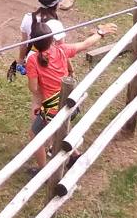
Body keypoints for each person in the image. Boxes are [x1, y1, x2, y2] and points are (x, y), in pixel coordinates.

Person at [25, 16, 110, 171]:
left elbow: (33, 88)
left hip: (52, 110)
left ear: (34, 42)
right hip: (70, 103)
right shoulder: (62, 51)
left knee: (35, 135)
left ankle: (45, 173)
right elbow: (85, 44)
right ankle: (75, 156)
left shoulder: (33, 61)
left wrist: (42, 89)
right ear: (51, 38)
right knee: (58, 129)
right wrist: (101, 32)